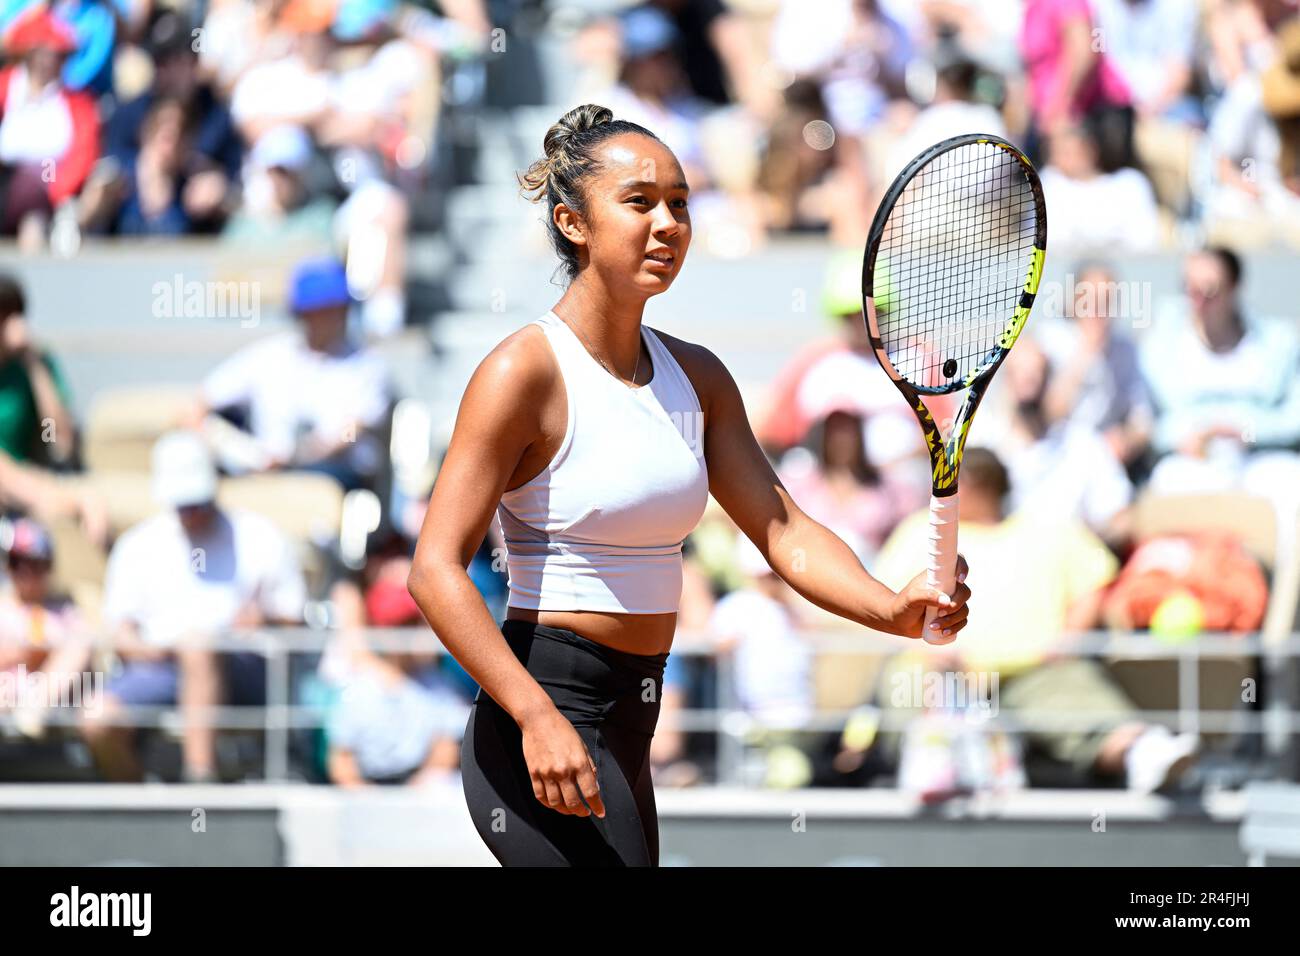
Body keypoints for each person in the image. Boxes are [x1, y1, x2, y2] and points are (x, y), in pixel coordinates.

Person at [405, 103, 973, 867]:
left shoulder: (698, 376)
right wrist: (537, 717)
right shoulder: (522, 371)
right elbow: (434, 571)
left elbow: (782, 531)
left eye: (681, 203)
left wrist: (889, 607)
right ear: (574, 224)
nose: (669, 223)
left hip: (632, 718)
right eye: (639, 202)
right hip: (540, 714)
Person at [872, 448, 1200, 795]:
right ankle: (934, 760)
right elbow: (884, 603)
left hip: (1033, 671)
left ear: (975, 483)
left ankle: (1140, 751)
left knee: (1075, 695)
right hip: (940, 673)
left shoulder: (1048, 526)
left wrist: (1067, 641)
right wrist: (926, 651)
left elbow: (1094, 582)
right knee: (909, 682)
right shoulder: (917, 531)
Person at [83, 431, 307, 782]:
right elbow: (120, 633)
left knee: (199, 648)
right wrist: (155, 650)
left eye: (197, 502)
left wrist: (262, 619)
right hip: (158, 669)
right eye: (183, 504)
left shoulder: (261, 536)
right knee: (97, 720)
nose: (191, 514)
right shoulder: (138, 546)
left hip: (242, 670)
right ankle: (143, 808)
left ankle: (199, 787)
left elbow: (294, 622)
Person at [187, 255, 393, 492]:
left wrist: (297, 455)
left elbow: (350, 433)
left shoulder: (368, 367)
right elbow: (199, 403)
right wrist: (232, 448)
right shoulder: (270, 355)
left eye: (335, 309)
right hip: (262, 475)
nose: (329, 318)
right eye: (319, 310)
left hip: (334, 477)